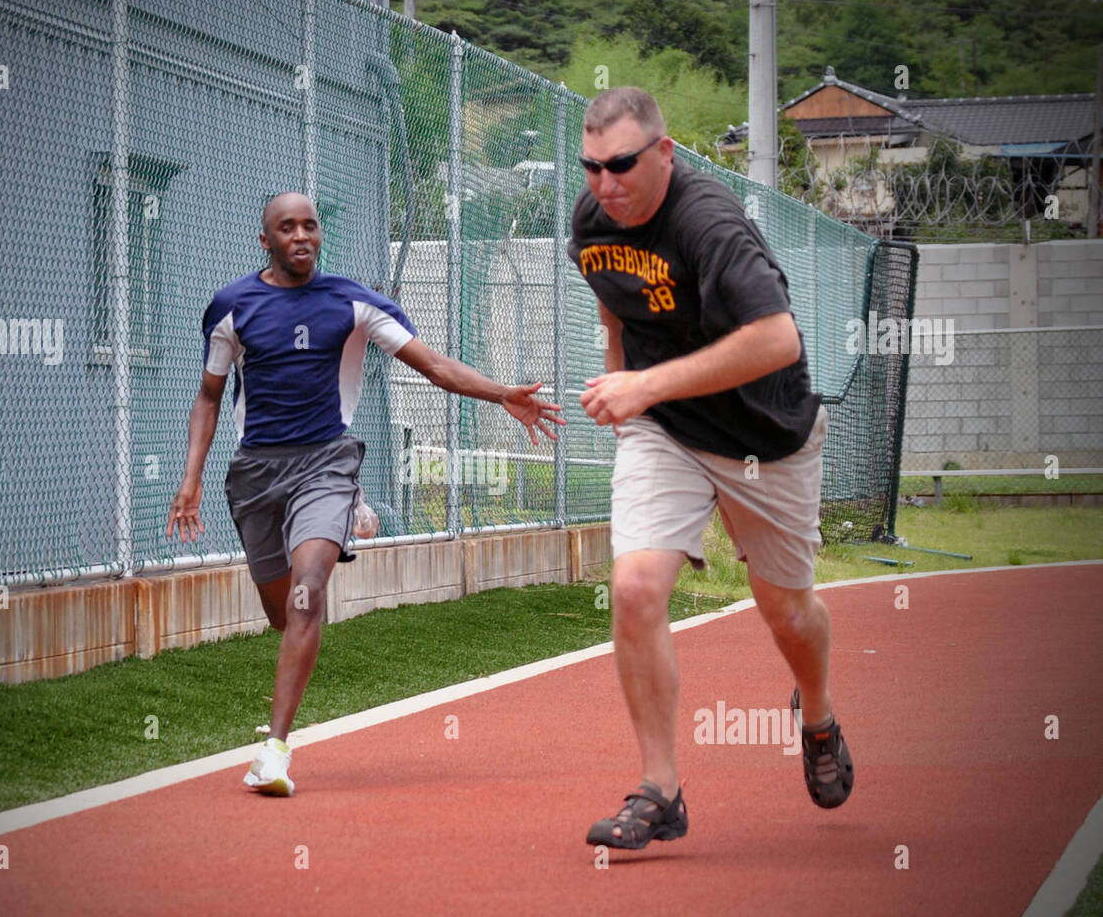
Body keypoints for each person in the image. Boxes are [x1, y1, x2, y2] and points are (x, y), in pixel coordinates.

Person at [165, 192, 563, 796]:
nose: (302, 236)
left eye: (311, 225)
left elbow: (432, 365)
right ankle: (349, 512)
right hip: (255, 475)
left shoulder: (352, 303)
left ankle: (273, 752)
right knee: (282, 611)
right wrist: (191, 479)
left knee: (307, 595)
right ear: (265, 240)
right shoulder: (231, 307)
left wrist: (501, 392)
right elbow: (210, 397)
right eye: (287, 227)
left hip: (326, 462)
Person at [567, 87, 853, 849]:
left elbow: (778, 340)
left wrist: (646, 384)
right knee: (633, 586)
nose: (605, 183)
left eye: (622, 164)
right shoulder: (591, 220)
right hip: (666, 431)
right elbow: (616, 312)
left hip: (767, 435)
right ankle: (660, 789)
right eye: (591, 166)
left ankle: (817, 715)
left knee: (787, 612)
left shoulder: (709, 222)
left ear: (663, 153)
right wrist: (626, 397)